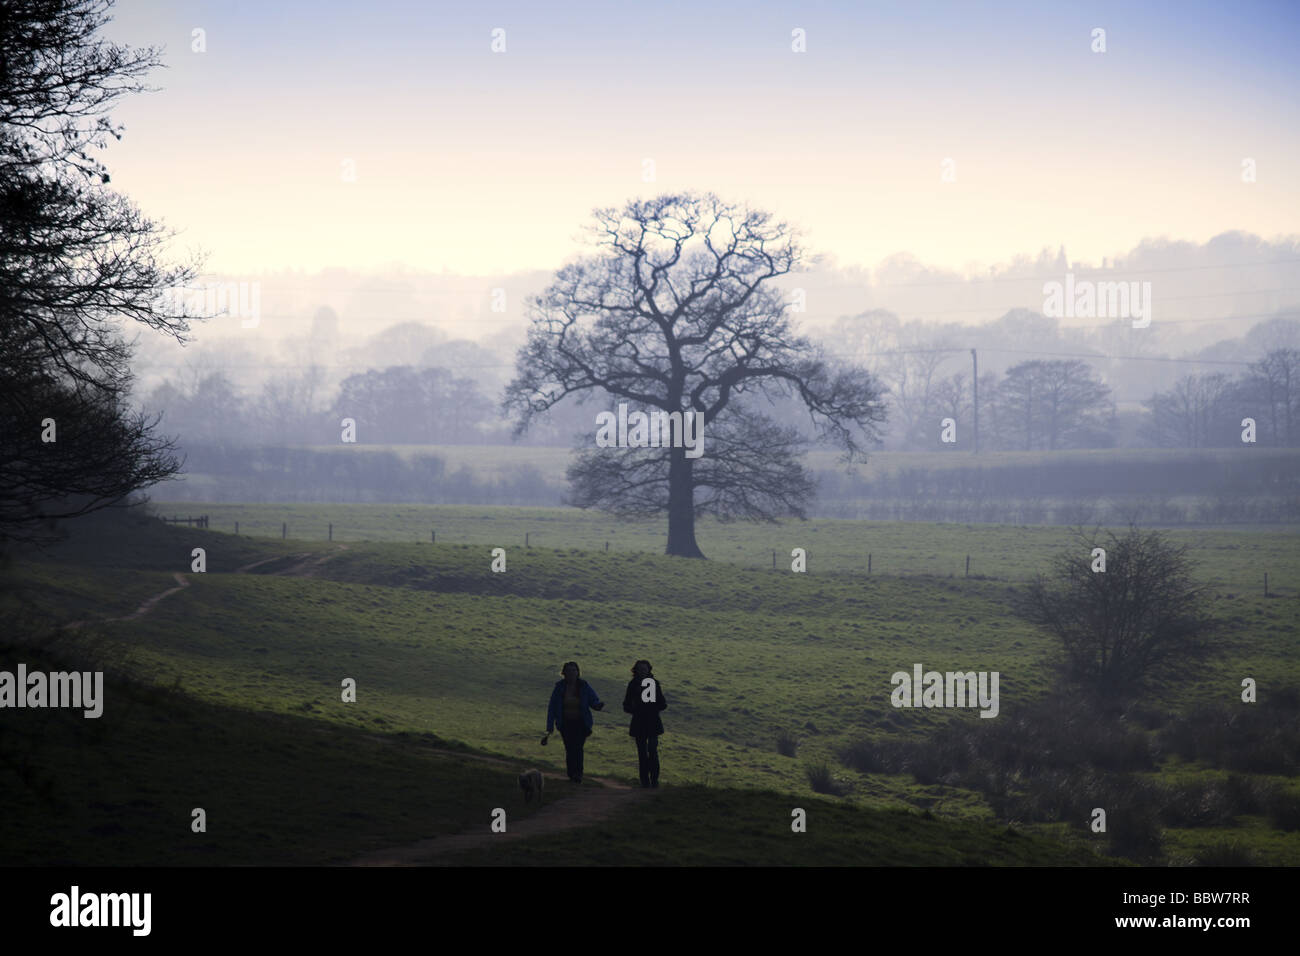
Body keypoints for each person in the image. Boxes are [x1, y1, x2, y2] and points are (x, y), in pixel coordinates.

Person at [546, 661, 604, 783]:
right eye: (569, 670)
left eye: (574, 670)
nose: (571, 673)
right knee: (569, 748)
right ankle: (572, 773)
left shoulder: (584, 686)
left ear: (578, 672)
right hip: (565, 723)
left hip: (580, 723)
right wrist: (549, 726)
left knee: (577, 747)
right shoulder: (559, 687)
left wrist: (597, 705)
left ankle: (577, 774)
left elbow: (593, 699)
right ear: (564, 673)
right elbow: (552, 707)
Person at [622, 659, 667, 788]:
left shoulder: (652, 684)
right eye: (640, 669)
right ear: (636, 670)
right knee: (644, 752)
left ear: (648, 670)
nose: (642, 671)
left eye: (644, 669)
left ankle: (653, 780)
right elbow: (626, 705)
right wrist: (638, 710)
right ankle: (646, 781)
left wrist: (647, 709)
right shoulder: (634, 685)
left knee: (651, 751)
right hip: (643, 723)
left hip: (650, 722)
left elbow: (662, 703)